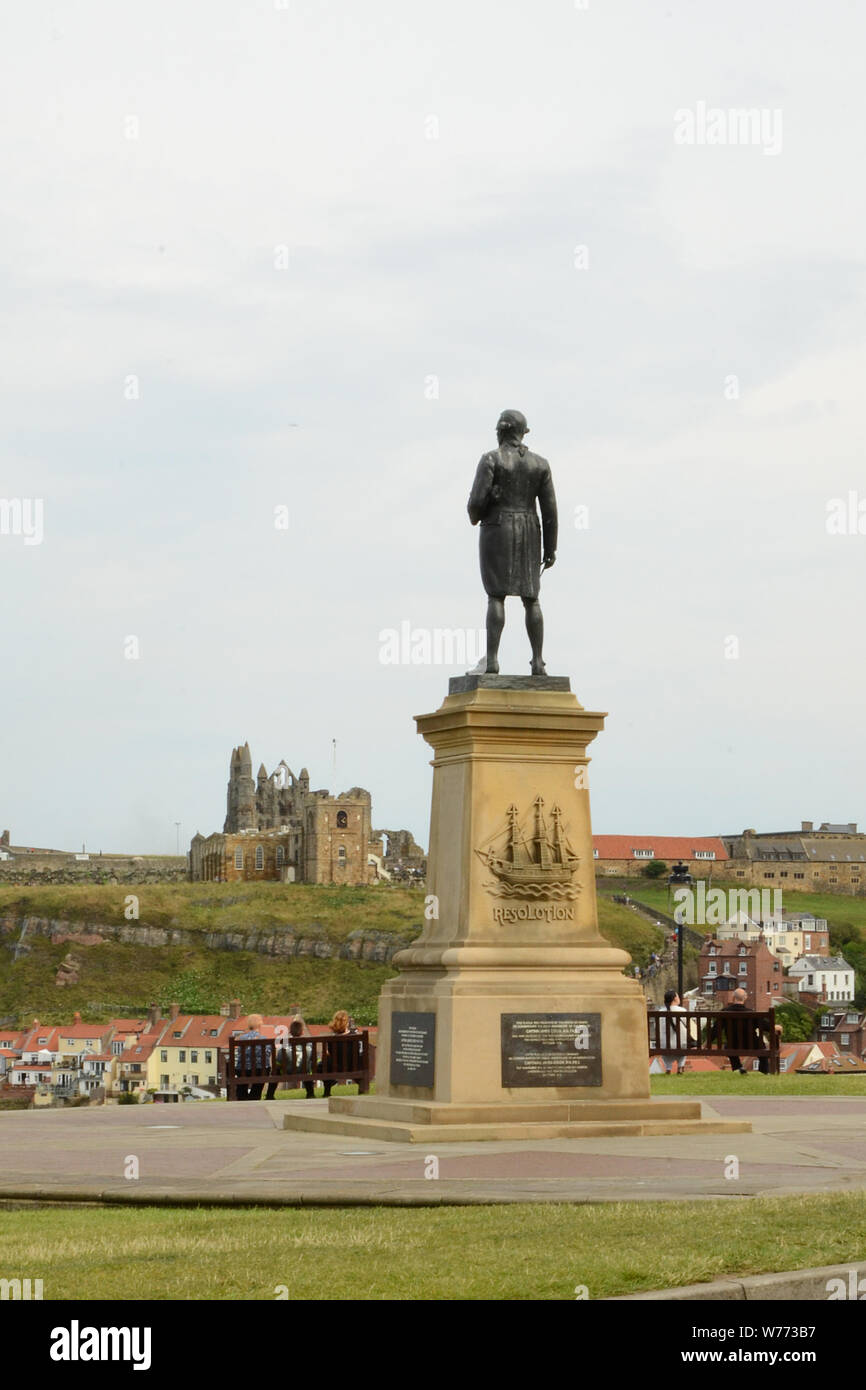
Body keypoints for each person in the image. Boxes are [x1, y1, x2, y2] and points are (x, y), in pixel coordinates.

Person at [467, 409, 558, 676]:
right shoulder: (540, 464)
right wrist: (550, 548)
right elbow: (550, 511)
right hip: (530, 530)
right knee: (532, 598)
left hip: (498, 529)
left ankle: (493, 660)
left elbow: (474, 509)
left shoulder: (491, 460)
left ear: (501, 432)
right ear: (522, 433)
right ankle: (538, 661)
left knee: (496, 596)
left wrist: (490, 499)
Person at [723, 988, 781, 1075]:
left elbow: (715, 1029)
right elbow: (767, 1027)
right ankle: (764, 1071)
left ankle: (738, 1067)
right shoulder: (752, 1014)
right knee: (762, 1046)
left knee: (728, 1046)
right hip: (752, 1044)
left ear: (733, 998)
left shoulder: (724, 1012)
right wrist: (777, 1027)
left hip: (733, 1044)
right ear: (745, 998)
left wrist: (707, 1042)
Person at [235, 1013, 271, 1100]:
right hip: (260, 1071)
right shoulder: (264, 1039)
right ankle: (255, 1095)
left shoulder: (241, 1038)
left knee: (242, 1074)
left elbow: (239, 1052)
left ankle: (242, 1096)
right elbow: (268, 1053)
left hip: (243, 1070)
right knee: (264, 1070)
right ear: (259, 1025)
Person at [321, 1010, 350, 1099]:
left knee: (324, 1063)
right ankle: (362, 1090)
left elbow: (331, 1054)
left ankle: (327, 1091)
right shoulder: (354, 1037)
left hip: (335, 1067)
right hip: (351, 1066)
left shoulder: (331, 1039)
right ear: (347, 1023)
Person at [658, 989, 688, 1075]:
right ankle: (680, 1067)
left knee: (666, 1041)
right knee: (683, 1040)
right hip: (681, 1046)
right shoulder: (682, 1011)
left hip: (664, 1046)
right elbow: (688, 1026)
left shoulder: (660, 1011)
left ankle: (668, 1068)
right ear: (675, 998)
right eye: (678, 996)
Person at [288, 1017, 316, 1099]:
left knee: (277, 1071)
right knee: (306, 1070)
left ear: (290, 1032)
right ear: (302, 1032)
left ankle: (270, 1094)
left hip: (288, 1070)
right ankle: (310, 1093)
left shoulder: (285, 1044)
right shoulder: (308, 1044)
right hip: (304, 1070)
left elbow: (279, 1058)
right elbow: (313, 1057)